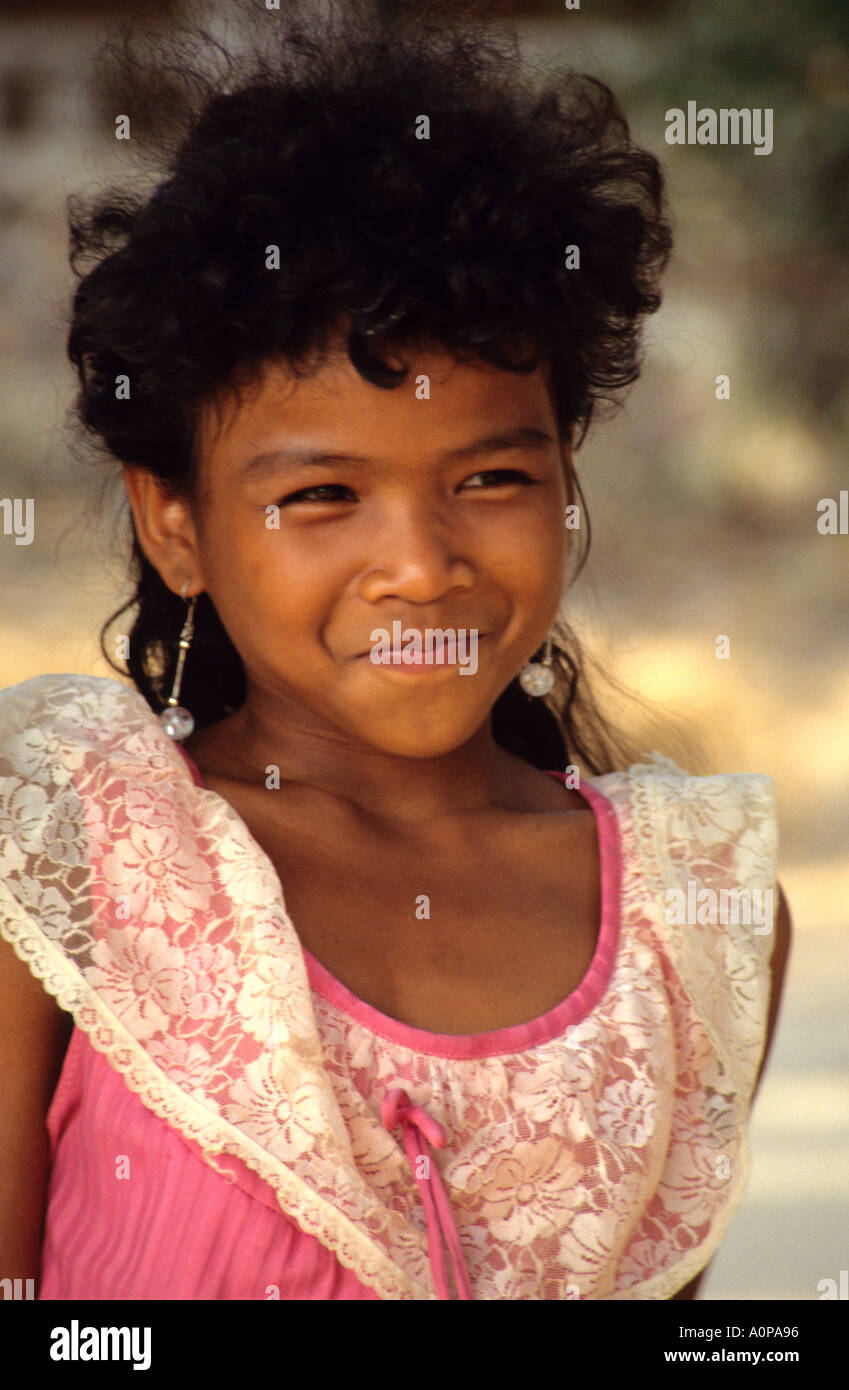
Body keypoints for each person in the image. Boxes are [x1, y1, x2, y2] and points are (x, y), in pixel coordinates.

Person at [0, 1, 791, 1301]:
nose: (422, 564)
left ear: (563, 477)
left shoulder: (694, 916)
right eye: (320, 496)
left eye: (486, 475)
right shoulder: (63, 854)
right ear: (176, 524)